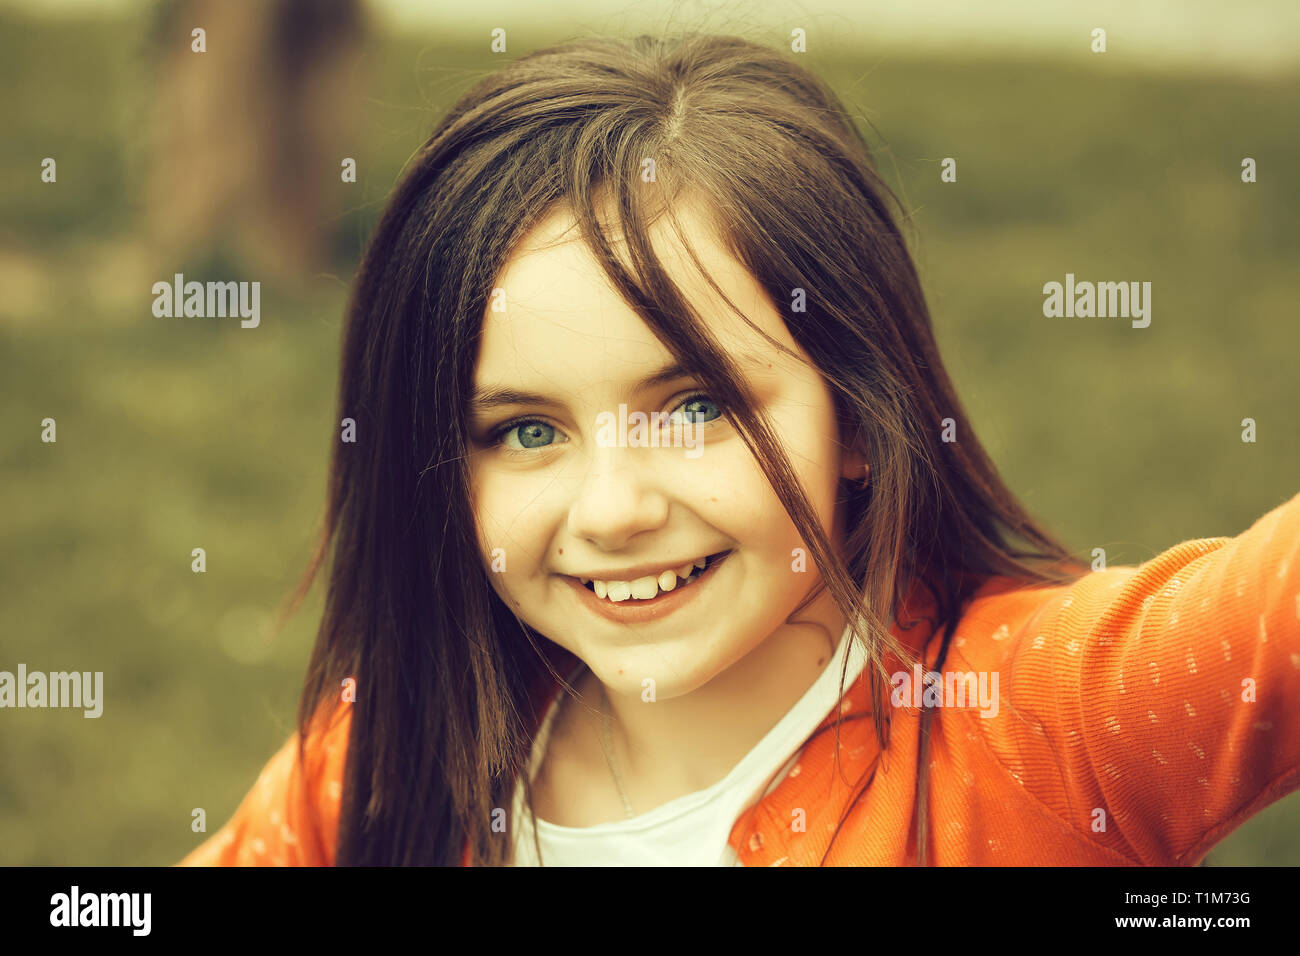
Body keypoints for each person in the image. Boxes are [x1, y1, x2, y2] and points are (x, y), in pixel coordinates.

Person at [177, 32, 1300, 867]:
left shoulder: (1046, 721)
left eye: (696, 405)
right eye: (525, 430)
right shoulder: (391, 755)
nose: (612, 507)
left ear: (858, 414)